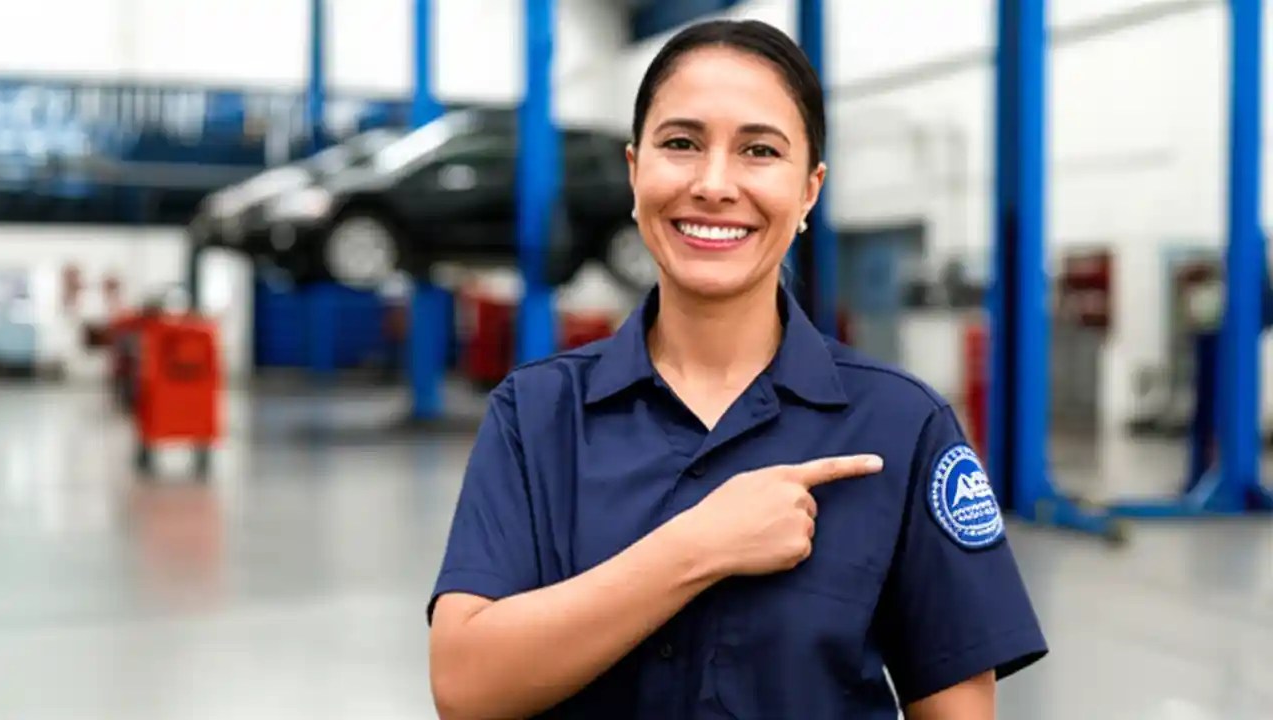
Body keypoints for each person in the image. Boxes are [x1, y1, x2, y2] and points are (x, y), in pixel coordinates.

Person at [428, 18, 1047, 720]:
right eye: (681, 144)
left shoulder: (903, 429)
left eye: (759, 150)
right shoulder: (537, 415)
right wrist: (699, 545)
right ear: (635, 173)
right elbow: (466, 686)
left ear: (810, 190)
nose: (715, 184)